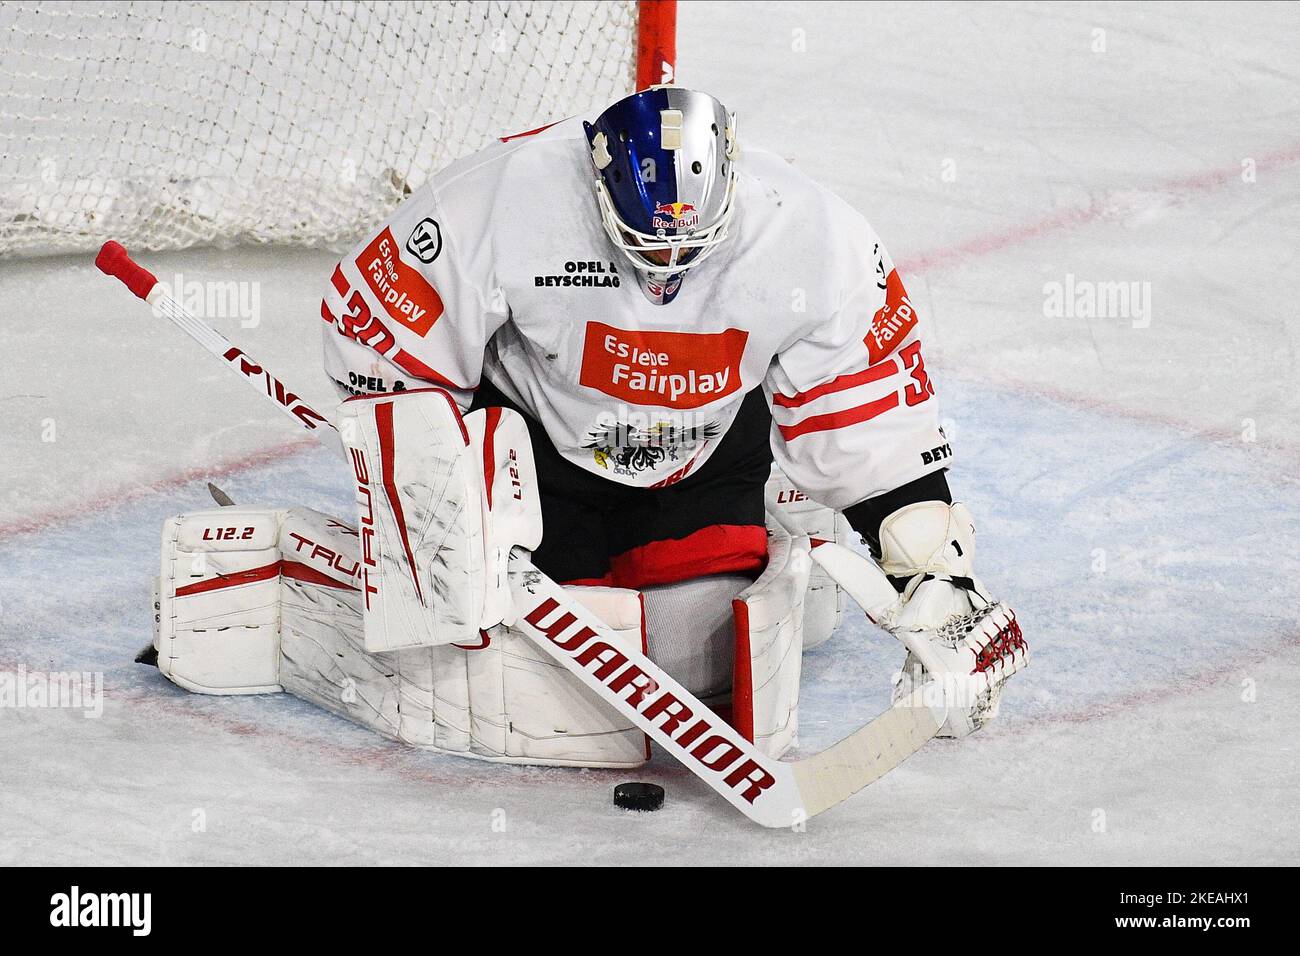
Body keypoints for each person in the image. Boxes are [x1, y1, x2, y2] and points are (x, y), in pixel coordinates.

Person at [320, 85, 1024, 728]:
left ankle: (788, 515)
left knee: (696, 647)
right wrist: (437, 504)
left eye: (692, 248)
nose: (667, 278)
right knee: (528, 659)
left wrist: (937, 574)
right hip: (539, 456)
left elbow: (868, 408)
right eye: (648, 250)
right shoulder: (502, 197)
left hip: (704, 456)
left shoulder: (811, 234)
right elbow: (380, 339)